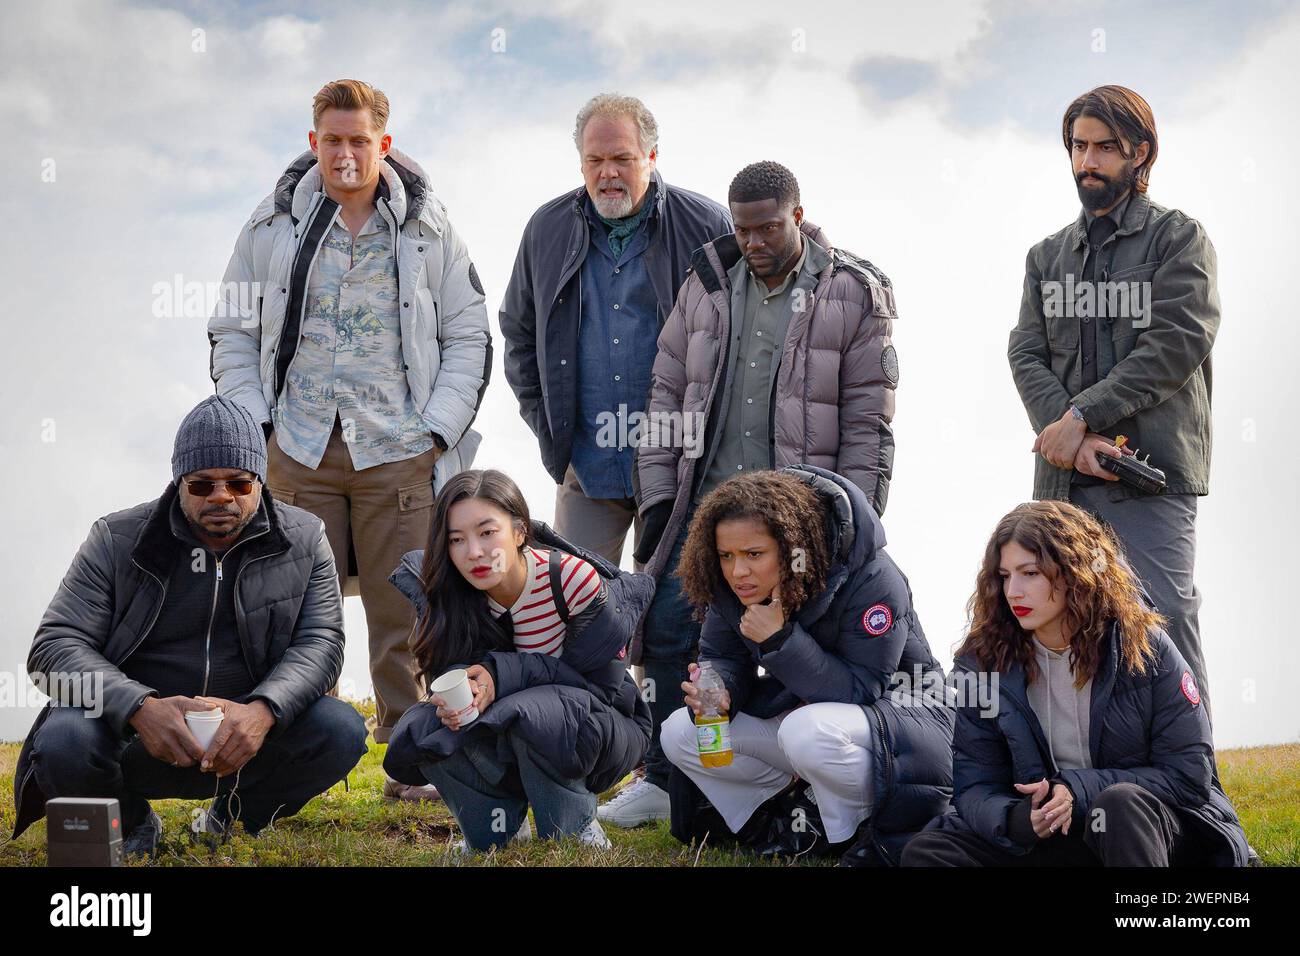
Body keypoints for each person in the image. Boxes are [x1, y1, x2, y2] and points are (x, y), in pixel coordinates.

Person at [207, 79, 491, 797]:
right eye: (331, 141)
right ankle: (290, 762)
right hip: (296, 451)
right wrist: (256, 427)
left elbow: (467, 333)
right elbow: (233, 330)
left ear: (383, 145)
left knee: (408, 613)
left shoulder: (429, 229)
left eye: (359, 141)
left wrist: (436, 432)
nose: (345, 155)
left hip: (399, 450)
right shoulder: (271, 227)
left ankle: (411, 761)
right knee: (288, 614)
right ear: (314, 144)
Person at [616, 160, 901, 828]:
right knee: (664, 631)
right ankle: (663, 781)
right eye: (742, 228)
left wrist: (847, 522)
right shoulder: (707, 281)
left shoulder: (853, 290)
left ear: (797, 216)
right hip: (700, 508)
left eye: (768, 227)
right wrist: (656, 500)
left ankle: (803, 789)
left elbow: (868, 420)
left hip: (794, 525)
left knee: (790, 648)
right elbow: (664, 391)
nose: (754, 241)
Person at [11, 396, 368, 858]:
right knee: (64, 739)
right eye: (202, 485)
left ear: (260, 480)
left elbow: (322, 642)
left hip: (244, 737)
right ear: (178, 482)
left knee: (339, 730)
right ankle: (132, 821)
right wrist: (139, 706)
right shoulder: (115, 538)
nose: (221, 496)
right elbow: (53, 647)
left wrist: (262, 712)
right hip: (132, 735)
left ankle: (233, 819)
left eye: (238, 483)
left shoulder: (306, 537)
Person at [1008, 85, 1219, 719]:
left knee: (1161, 621)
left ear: (1141, 153)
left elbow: (1174, 344)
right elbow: (1025, 353)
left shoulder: (1179, 240)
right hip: (1065, 482)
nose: (1087, 163)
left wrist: (1080, 417)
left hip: (1150, 478)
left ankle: (1195, 792)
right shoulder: (1047, 257)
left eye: (1104, 148)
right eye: (1078, 146)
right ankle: (1086, 782)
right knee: (1062, 630)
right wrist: (1073, 441)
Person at [902, 501, 1248, 867]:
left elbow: (1188, 775)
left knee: (1118, 804)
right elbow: (976, 786)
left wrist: (1077, 790)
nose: (1013, 591)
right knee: (929, 851)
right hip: (1059, 836)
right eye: (1004, 576)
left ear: (1074, 573)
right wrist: (1019, 819)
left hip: (1152, 831)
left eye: (1030, 573)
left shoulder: (1145, 647)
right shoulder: (985, 664)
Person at [659, 466, 952, 863]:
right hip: (815, 721)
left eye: (754, 554)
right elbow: (723, 656)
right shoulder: (731, 586)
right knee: (679, 731)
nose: (738, 571)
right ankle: (779, 827)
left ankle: (849, 836)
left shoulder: (874, 578)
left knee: (806, 731)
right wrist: (722, 689)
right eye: (726, 555)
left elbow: (862, 690)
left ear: (794, 545)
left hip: (910, 727)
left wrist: (780, 639)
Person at [499, 93, 732, 570]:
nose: (607, 173)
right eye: (595, 160)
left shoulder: (706, 225)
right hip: (586, 467)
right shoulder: (547, 228)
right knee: (575, 610)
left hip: (679, 465)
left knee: (670, 618)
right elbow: (518, 332)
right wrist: (551, 432)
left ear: (650, 156)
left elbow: (737, 335)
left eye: (622, 159)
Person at [382, 470, 655, 852]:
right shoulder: (448, 593)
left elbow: (600, 688)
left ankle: (574, 828)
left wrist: (500, 677)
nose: (473, 552)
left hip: (600, 728)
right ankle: (495, 830)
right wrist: (463, 689)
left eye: (487, 532)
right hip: (510, 728)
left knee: (534, 712)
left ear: (520, 532)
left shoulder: (571, 579)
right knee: (422, 725)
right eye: (456, 539)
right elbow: (451, 673)